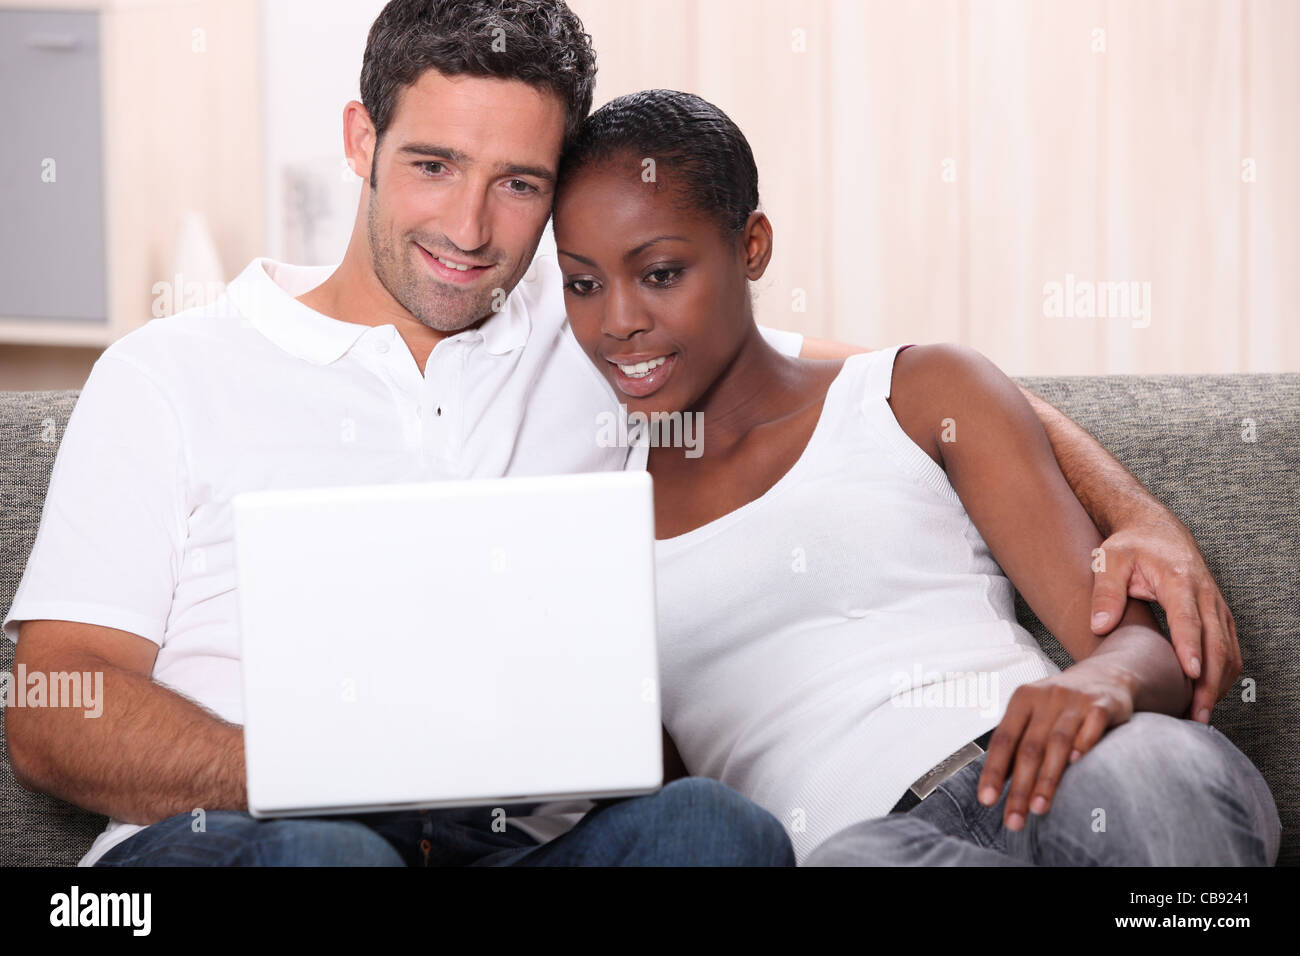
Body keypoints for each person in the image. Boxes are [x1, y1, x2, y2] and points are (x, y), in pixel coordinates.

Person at [2, 0, 1245, 866]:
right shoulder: (169, 371)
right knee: (329, 852)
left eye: (519, 183)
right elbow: (49, 705)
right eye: (433, 164)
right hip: (246, 837)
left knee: (718, 831)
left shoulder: (595, 335)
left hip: (507, 849)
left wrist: (1133, 516)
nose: (471, 227)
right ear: (360, 142)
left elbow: (896, 382)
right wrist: (305, 766)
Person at [549, 88, 1282, 865]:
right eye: (583, 284)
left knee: (1154, 773)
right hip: (863, 849)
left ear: (752, 246)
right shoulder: (605, 518)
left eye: (660, 274)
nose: (617, 320)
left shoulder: (915, 395)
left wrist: (1101, 685)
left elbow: (1146, 654)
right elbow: (660, 809)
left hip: (1057, 773)